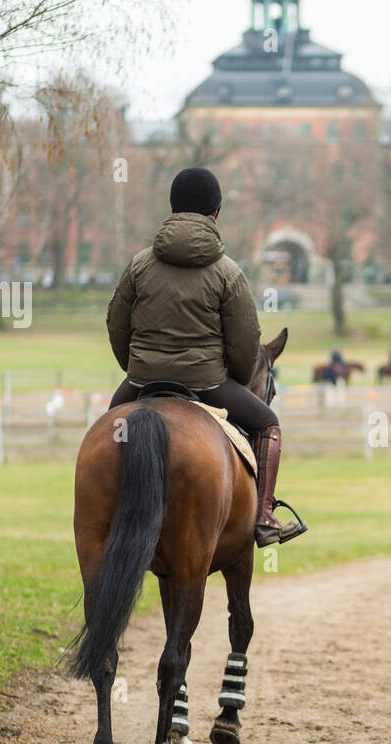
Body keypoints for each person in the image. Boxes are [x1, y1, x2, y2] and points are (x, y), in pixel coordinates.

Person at [106, 167, 304, 547]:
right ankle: (264, 518)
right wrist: (236, 378)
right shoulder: (229, 273)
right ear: (216, 212)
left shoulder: (139, 265)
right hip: (208, 383)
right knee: (268, 423)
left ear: (173, 207)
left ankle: (104, 519)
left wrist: (135, 370)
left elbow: (117, 325)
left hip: (141, 379)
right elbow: (246, 344)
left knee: (102, 434)